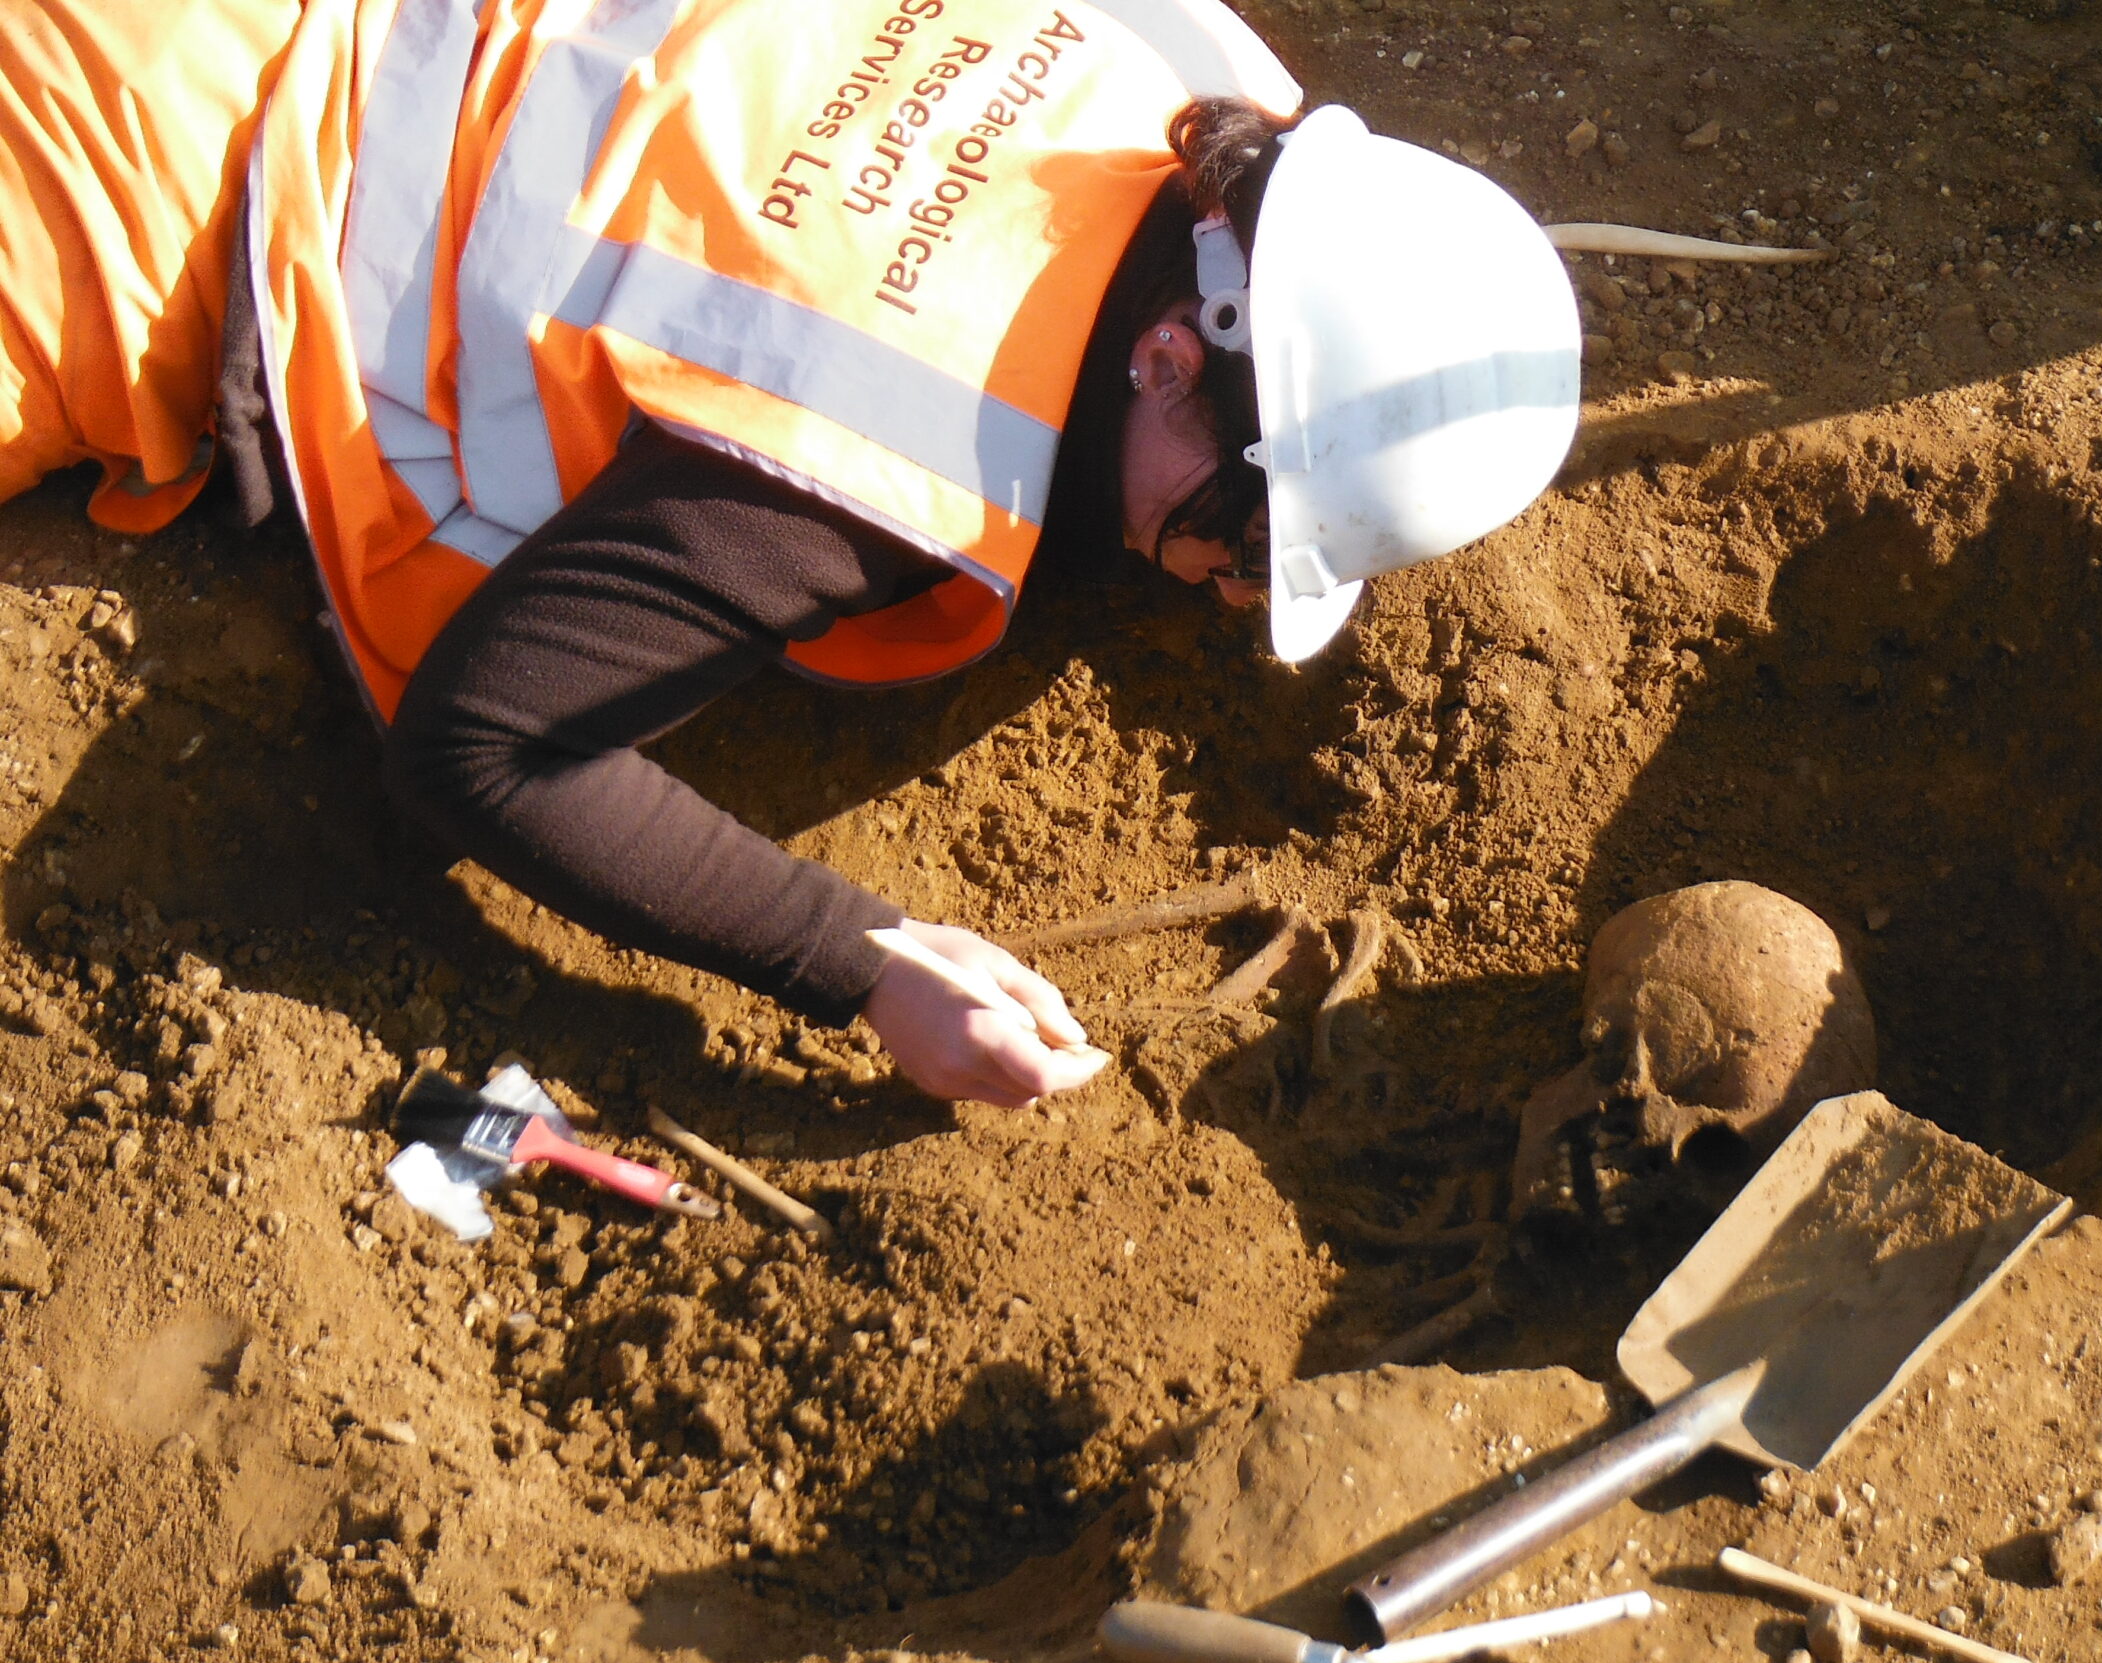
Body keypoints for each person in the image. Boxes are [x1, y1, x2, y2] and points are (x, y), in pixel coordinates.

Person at [0, 0, 1580, 1108]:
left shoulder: (1174, 67)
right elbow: (484, 744)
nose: (1231, 585)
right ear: (1170, 354)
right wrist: (863, 960)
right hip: (148, 185)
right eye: (1248, 533)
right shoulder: (889, 450)